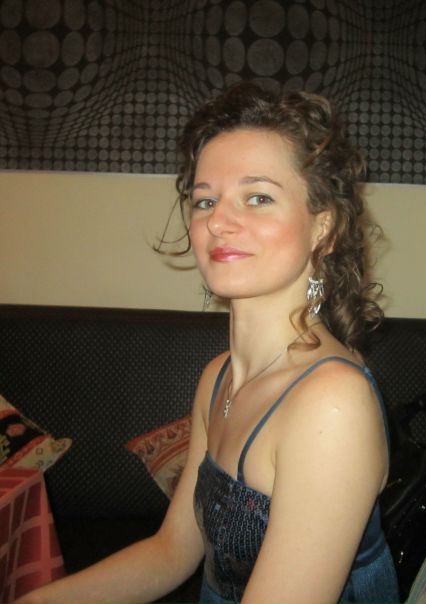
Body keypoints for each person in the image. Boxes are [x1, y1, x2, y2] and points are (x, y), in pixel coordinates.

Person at [18, 82, 399, 604]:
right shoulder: (216, 378)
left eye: (258, 197)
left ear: (323, 228)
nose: (218, 221)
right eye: (205, 200)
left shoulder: (331, 402)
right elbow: (171, 552)